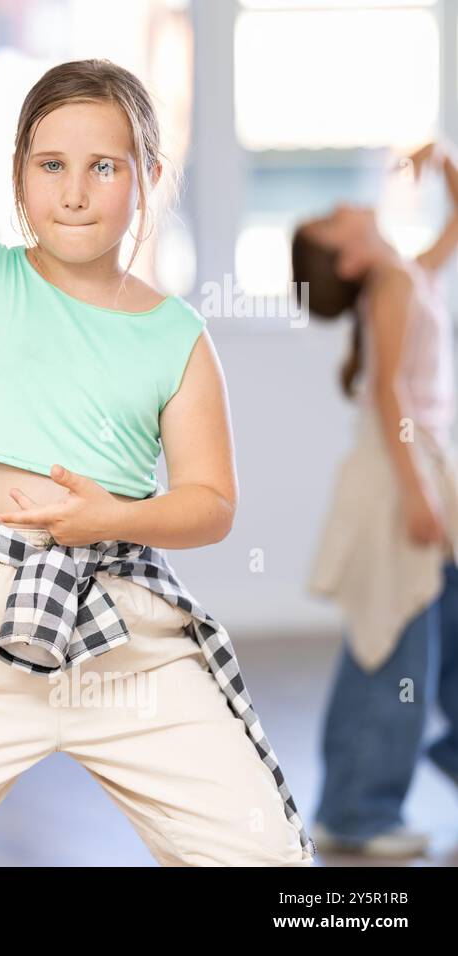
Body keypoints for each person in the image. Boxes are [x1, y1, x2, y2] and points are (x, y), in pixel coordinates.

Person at [0, 23, 315, 865]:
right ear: (20, 178)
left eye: (103, 167)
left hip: (126, 627)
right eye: (52, 166)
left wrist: (118, 513)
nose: (74, 192)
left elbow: (210, 504)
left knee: (265, 855)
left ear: (146, 178)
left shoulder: (177, 336)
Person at [299, 140, 458, 858]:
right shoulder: (389, 284)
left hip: (416, 474)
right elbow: (390, 393)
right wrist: (419, 494)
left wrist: (443, 166)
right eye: (330, 222)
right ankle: (357, 812)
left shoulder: (400, 274)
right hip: (398, 481)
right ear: (349, 261)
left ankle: (364, 797)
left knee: (434, 633)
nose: (340, 205)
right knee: (391, 641)